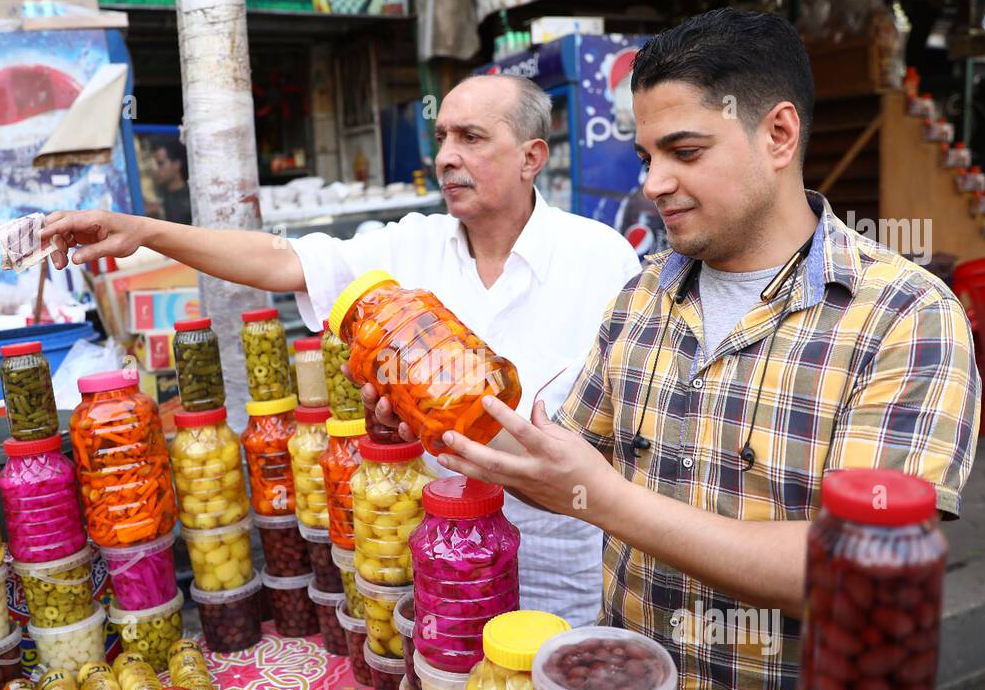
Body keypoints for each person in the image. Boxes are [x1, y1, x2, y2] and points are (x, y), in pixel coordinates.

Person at [421, 9, 981, 690]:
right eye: (647, 154)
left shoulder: (905, 319)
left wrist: (607, 500)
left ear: (778, 135)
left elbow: (850, 577)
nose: (653, 182)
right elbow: (555, 453)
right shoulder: (643, 295)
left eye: (685, 152)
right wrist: (432, 407)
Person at [40, 74, 642, 627]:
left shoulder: (599, 256)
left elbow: (633, 423)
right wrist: (147, 231)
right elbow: (280, 259)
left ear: (531, 157)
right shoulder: (410, 247)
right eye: (441, 137)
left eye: (472, 137)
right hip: (441, 554)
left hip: (566, 556)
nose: (447, 156)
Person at [153, 140, 192, 226]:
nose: (156, 170)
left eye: (160, 164)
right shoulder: (161, 196)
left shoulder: (191, 198)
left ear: (176, 164)